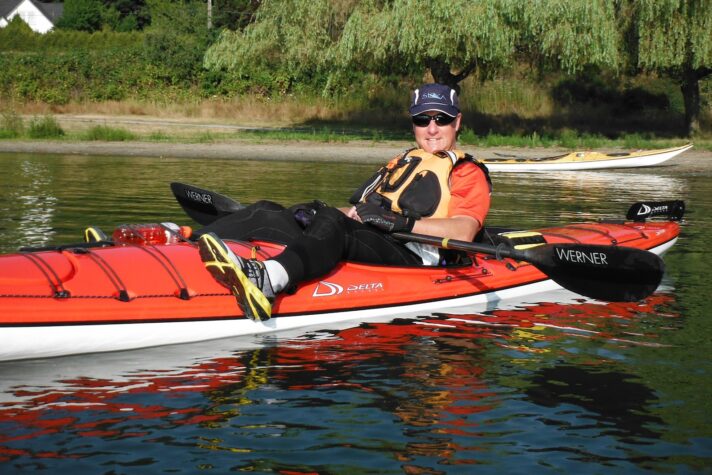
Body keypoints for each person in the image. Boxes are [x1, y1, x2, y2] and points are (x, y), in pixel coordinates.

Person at [197, 83, 491, 321]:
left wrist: (401, 222)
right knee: (269, 210)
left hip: (413, 254)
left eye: (442, 119)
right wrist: (313, 212)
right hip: (375, 238)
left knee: (332, 222)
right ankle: (184, 241)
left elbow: (464, 231)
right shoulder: (401, 161)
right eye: (422, 119)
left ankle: (268, 280)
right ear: (413, 124)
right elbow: (356, 213)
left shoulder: (466, 172)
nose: (432, 128)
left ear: (457, 122)